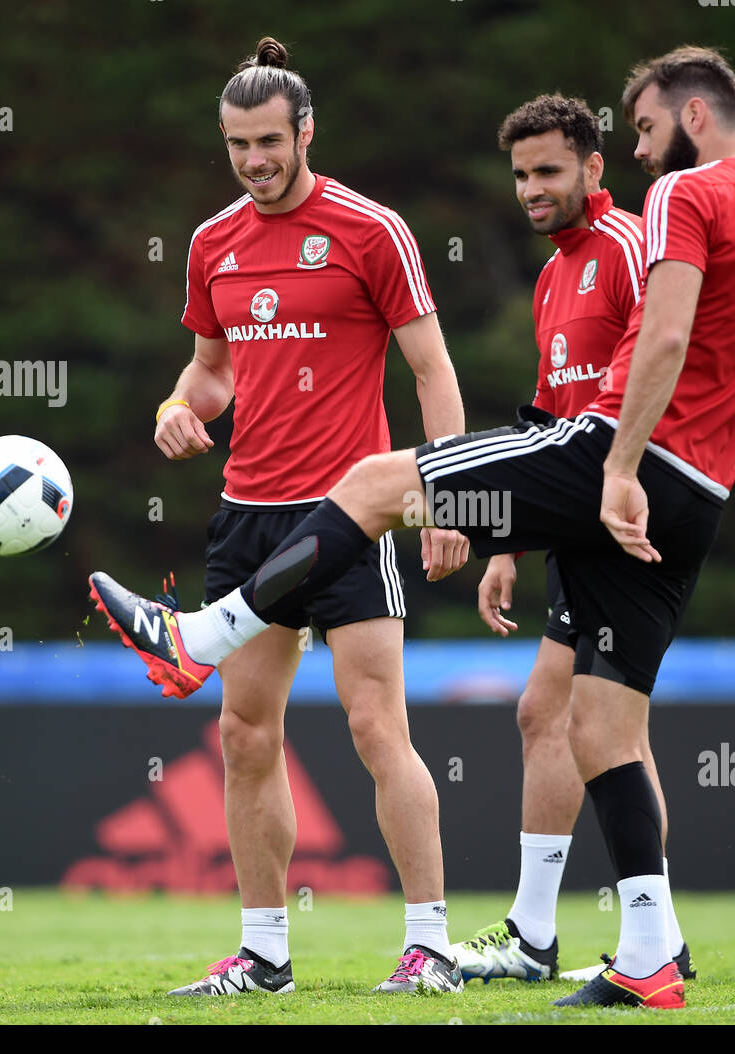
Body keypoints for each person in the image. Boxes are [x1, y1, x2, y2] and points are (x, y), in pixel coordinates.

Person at [90, 45, 735, 1010]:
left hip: (617, 460)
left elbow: (670, 337)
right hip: (703, 492)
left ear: (691, 118)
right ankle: (649, 954)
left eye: (641, 131)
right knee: (599, 724)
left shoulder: (684, 200)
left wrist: (620, 465)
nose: (638, 154)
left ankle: (200, 636)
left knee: (373, 483)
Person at [91, 36, 471, 997]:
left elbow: (431, 369)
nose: (255, 162)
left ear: (306, 131)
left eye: (269, 141)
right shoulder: (213, 242)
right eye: (236, 146)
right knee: (244, 735)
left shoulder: (370, 230)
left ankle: (428, 944)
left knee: (376, 724)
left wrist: (447, 495)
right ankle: (264, 954)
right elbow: (211, 373)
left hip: (351, 513)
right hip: (247, 515)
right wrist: (179, 412)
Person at [447, 93, 696, 987]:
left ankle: (539, 933)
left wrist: (628, 483)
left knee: (574, 720)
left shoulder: (633, 246)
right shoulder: (554, 275)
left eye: (549, 169)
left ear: (596, 168)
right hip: (574, 513)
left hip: (625, 511)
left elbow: (675, 360)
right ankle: (648, 933)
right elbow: (550, 422)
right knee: (588, 724)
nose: (531, 189)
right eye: (520, 174)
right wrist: (507, 541)